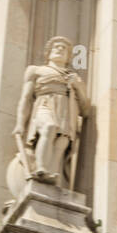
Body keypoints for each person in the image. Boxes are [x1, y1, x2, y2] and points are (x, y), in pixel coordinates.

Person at [15, 36, 89, 186]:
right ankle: (41, 168)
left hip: (67, 110)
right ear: (48, 53)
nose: (60, 49)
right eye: (57, 47)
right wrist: (20, 123)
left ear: (69, 56)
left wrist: (78, 85)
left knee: (61, 144)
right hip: (45, 104)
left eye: (64, 48)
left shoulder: (72, 76)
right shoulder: (36, 70)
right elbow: (26, 98)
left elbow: (85, 108)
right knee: (49, 127)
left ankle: (54, 178)